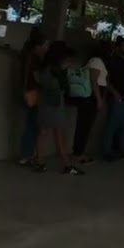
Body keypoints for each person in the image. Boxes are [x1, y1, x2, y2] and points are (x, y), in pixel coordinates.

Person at [35, 42, 85, 175]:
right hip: (52, 104)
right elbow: (53, 87)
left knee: (45, 133)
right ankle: (65, 164)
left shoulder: (49, 68)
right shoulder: (52, 70)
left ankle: (41, 162)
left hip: (49, 104)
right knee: (55, 135)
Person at [72, 41, 110, 164]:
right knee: (84, 125)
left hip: (90, 96)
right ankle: (78, 153)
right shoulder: (97, 61)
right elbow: (94, 80)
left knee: (85, 125)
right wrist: (99, 99)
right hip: (91, 97)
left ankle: (79, 152)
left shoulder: (94, 61)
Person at [16, 27, 48, 167]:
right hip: (34, 93)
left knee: (30, 125)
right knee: (33, 125)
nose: (46, 48)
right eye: (45, 45)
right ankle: (28, 154)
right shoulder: (35, 59)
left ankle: (26, 154)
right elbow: (37, 78)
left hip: (27, 92)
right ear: (38, 46)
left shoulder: (26, 56)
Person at [100, 39, 124, 161]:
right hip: (117, 97)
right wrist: (115, 93)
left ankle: (122, 150)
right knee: (112, 125)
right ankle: (107, 151)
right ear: (118, 47)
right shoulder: (113, 61)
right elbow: (106, 79)